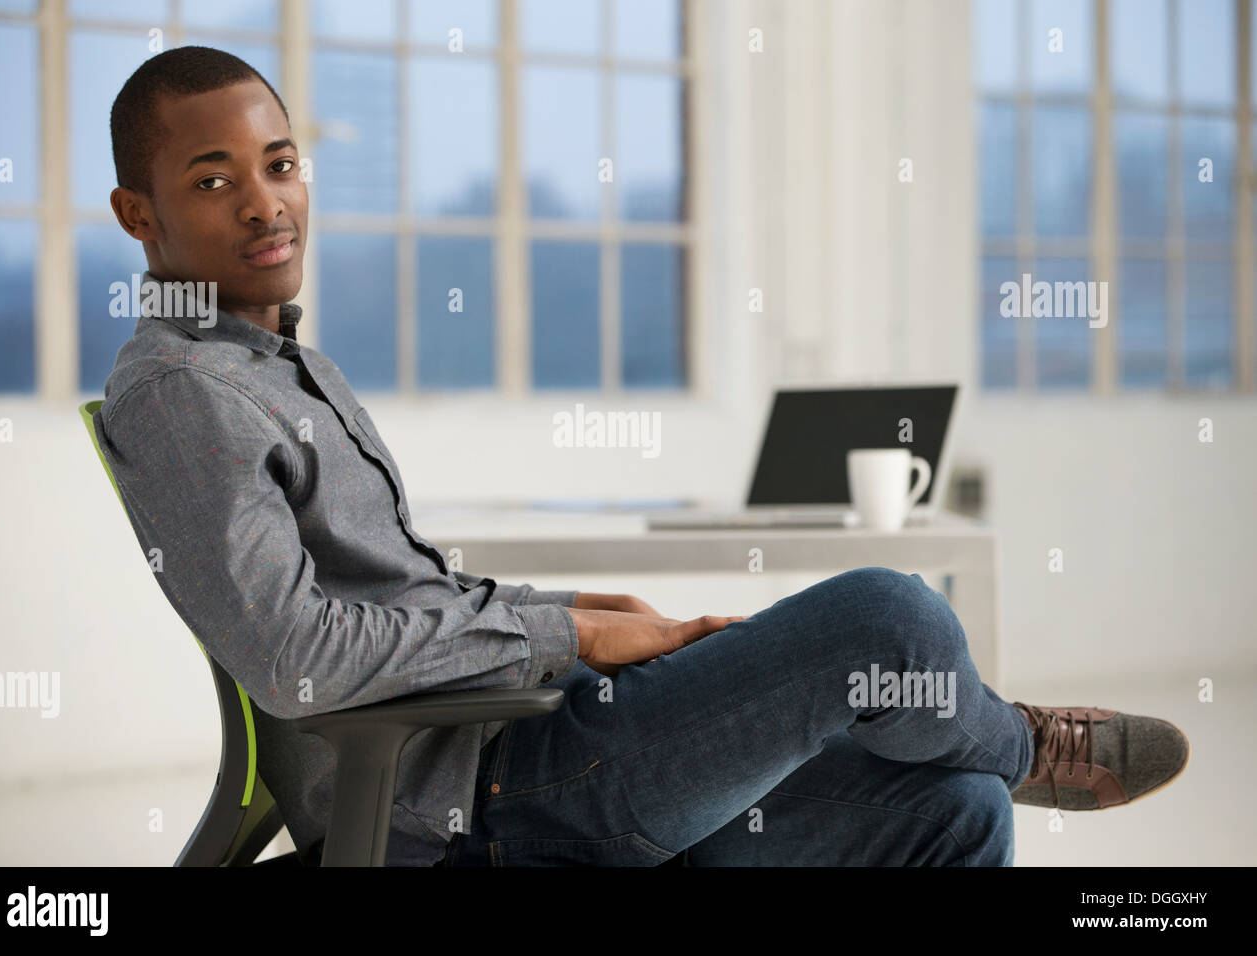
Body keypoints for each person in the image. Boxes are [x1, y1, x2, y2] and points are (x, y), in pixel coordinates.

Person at [99, 46, 1189, 867]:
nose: (264, 200)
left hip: (531, 733)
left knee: (955, 812)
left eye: (279, 163)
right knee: (889, 619)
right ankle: (1020, 740)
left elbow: (406, 593)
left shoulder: (283, 359)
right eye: (212, 180)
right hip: (484, 789)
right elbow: (299, 656)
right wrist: (562, 629)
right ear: (136, 214)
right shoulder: (189, 391)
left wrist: (582, 611)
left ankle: (987, 756)